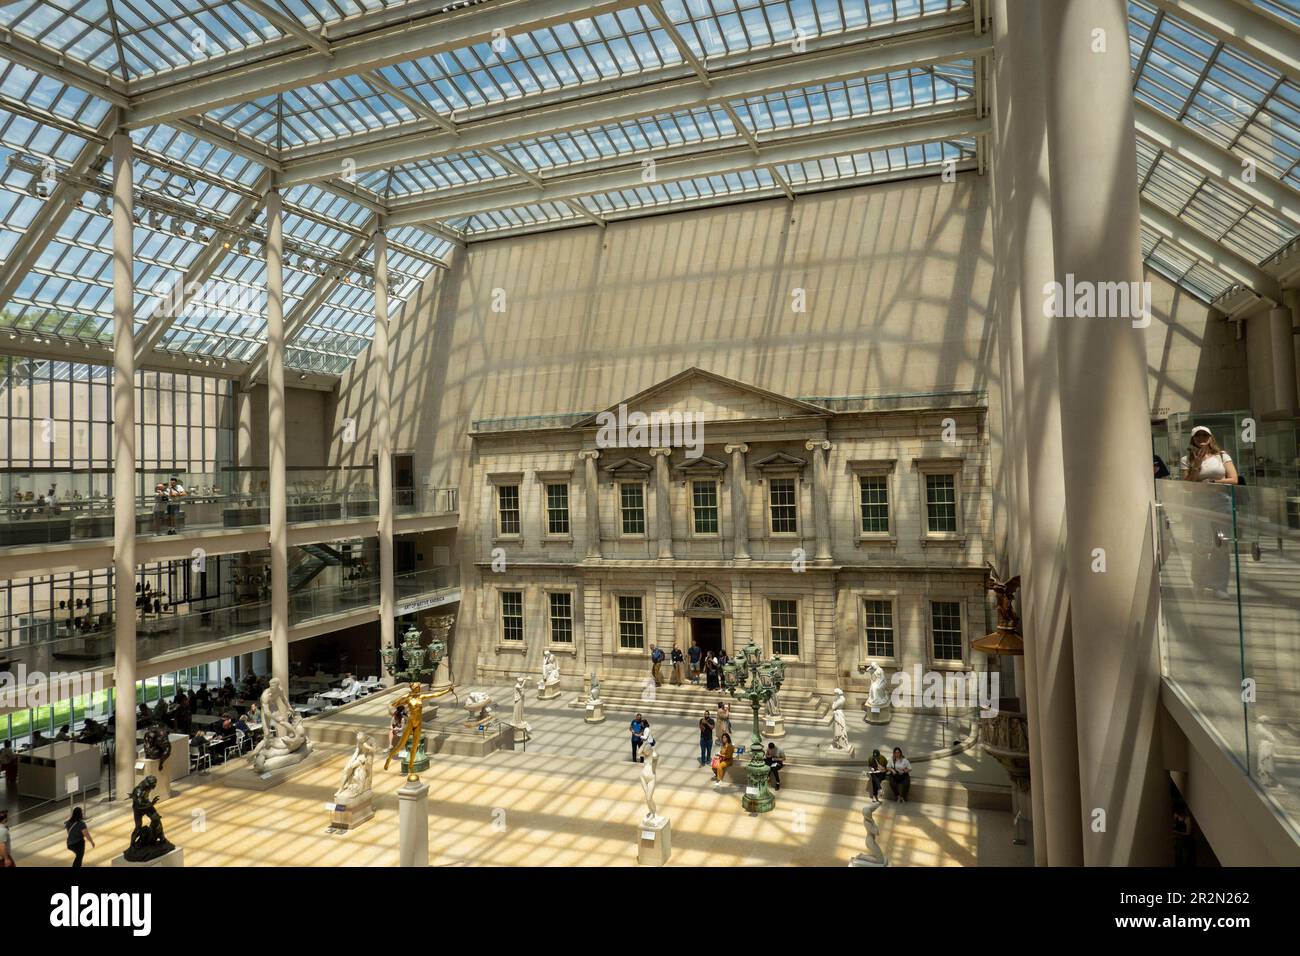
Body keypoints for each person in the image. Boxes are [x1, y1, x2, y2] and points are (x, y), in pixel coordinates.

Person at [1179, 426, 1239, 597]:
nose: (1201, 437)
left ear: (1211, 438)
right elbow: (1186, 485)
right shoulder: (1186, 459)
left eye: (1205, 434)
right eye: (1197, 435)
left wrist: (1214, 482)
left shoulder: (1222, 455)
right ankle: (1199, 581)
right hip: (1199, 502)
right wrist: (1196, 466)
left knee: (1222, 544)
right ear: (1192, 439)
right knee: (1201, 544)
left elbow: (1234, 478)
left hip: (1222, 501)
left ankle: (1220, 586)